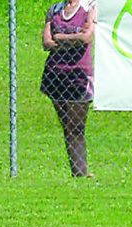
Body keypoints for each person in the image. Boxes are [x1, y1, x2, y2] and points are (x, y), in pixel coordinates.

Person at [41, 0, 96, 177]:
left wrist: (62, 38)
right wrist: (74, 37)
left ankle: (81, 172)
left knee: (76, 126)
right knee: (67, 126)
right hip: (55, 73)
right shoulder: (55, 10)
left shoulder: (89, 7)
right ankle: (78, 172)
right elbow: (47, 42)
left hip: (79, 74)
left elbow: (86, 37)